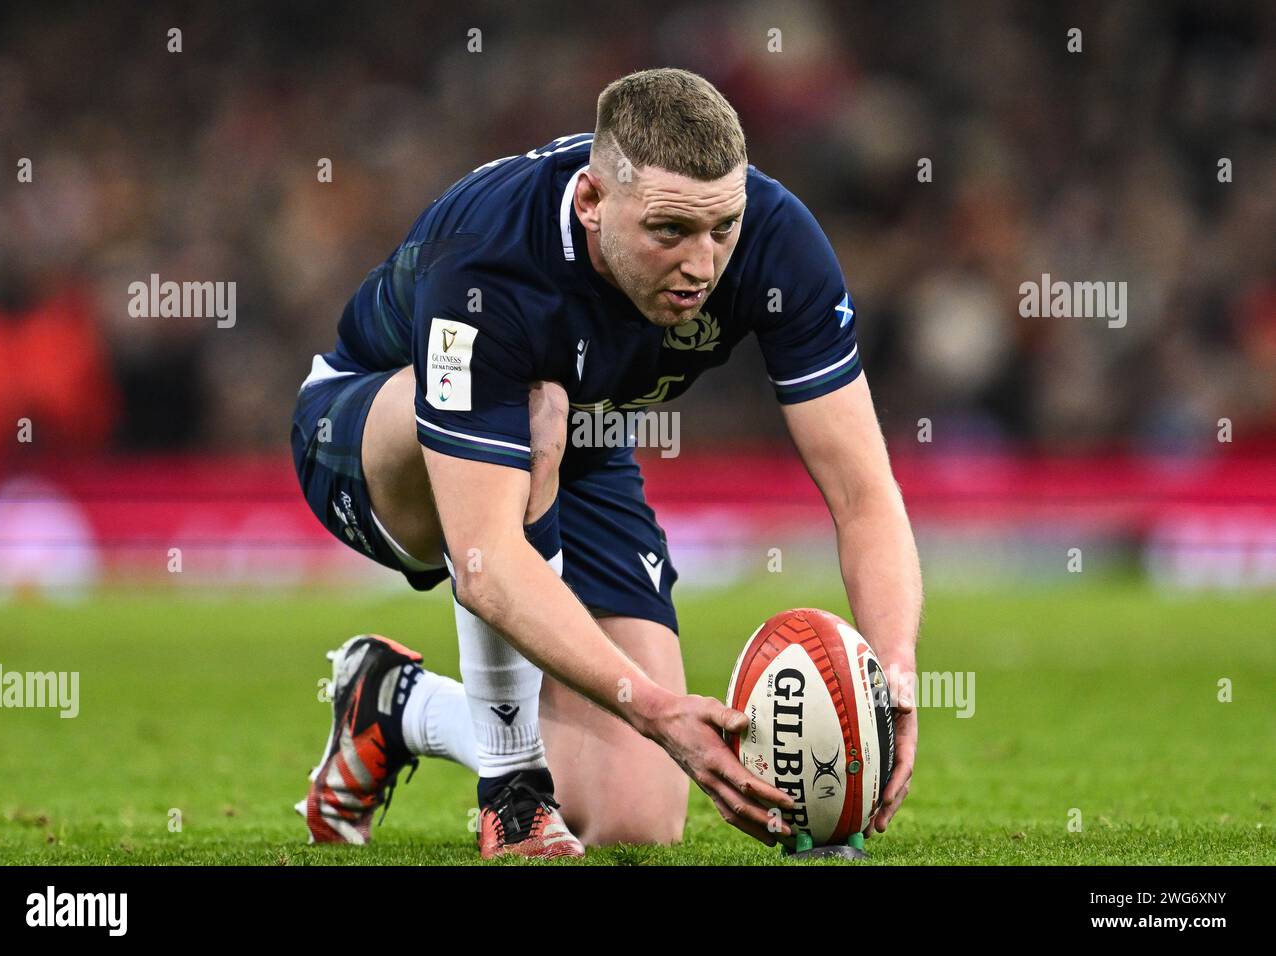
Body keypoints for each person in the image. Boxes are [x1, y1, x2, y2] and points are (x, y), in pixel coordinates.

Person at [290, 68, 921, 858]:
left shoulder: (776, 238)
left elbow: (865, 496)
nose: (703, 264)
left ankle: (392, 704)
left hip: (581, 448)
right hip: (369, 433)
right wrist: (655, 708)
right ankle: (511, 791)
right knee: (536, 410)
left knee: (633, 817)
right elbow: (484, 560)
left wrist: (893, 669)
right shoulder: (491, 264)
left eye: (721, 228)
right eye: (670, 232)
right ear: (592, 202)